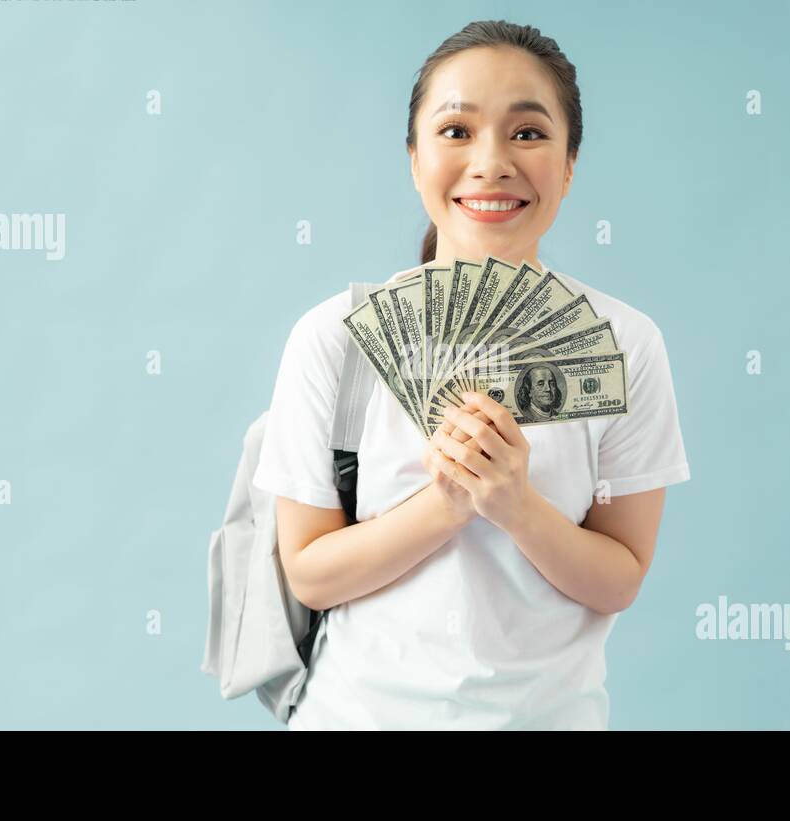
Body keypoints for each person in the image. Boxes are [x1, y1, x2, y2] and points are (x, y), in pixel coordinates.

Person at [251, 20, 691, 730]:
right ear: (413, 157)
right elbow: (309, 570)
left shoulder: (624, 344)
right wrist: (448, 503)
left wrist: (517, 505)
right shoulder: (335, 339)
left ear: (571, 162)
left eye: (527, 133)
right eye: (456, 130)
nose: (490, 163)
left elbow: (620, 576)